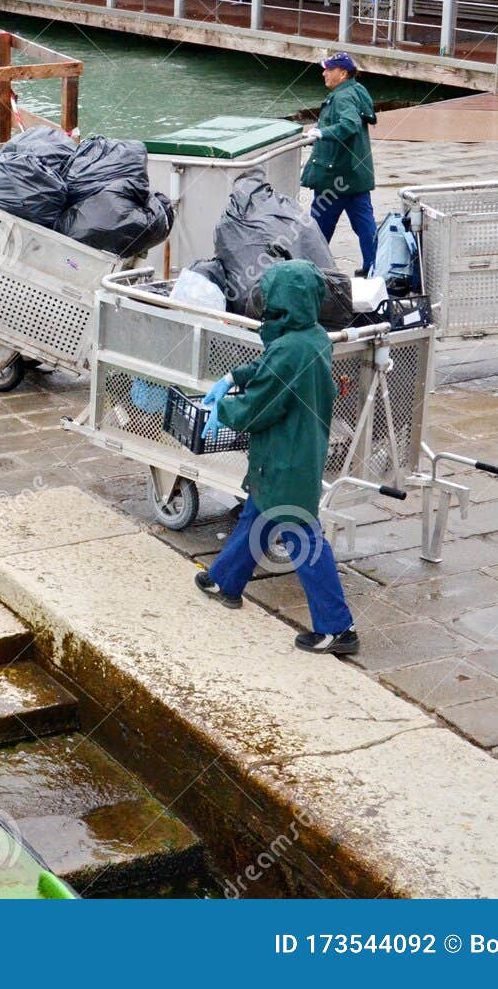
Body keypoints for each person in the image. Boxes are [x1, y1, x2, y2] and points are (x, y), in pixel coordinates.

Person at [193, 260, 359, 655]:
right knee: (260, 511)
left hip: (286, 452)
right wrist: (236, 376)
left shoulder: (289, 349)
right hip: (299, 447)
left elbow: (261, 405)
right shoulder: (311, 336)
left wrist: (224, 412)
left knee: (301, 532)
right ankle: (224, 581)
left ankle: (338, 628)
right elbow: (271, 371)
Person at [302, 52, 378, 275]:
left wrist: (321, 134)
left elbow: (350, 124)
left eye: (329, 69)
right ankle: (374, 268)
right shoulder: (357, 90)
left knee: (317, 230)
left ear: (343, 73)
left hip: (335, 180)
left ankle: (311, 272)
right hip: (356, 176)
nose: (324, 73)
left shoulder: (342, 97)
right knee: (365, 226)